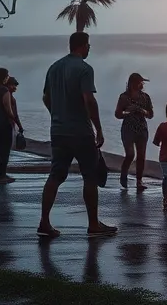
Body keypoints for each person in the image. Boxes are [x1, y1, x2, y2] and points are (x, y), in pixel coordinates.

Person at [38, 31, 117, 239]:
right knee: (89, 176)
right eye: (88, 45)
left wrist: (56, 113)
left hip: (58, 130)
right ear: (82, 46)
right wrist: (99, 128)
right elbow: (89, 100)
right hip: (80, 131)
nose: (90, 48)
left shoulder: (54, 68)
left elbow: (46, 97)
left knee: (55, 175)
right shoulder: (84, 68)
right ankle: (93, 224)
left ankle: (44, 221)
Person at [115, 73, 154, 192]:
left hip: (142, 128)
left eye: (142, 82)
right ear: (132, 84)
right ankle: (124, 174)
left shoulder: (145, 97)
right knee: (130, 154)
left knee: (141, 156)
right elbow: (117, 114)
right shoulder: (123, 97)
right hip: (128, 128)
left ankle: (139, 181)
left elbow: (151, 114)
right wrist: (128, 112)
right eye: (139, 82)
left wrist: (143, 111)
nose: (141, 84)